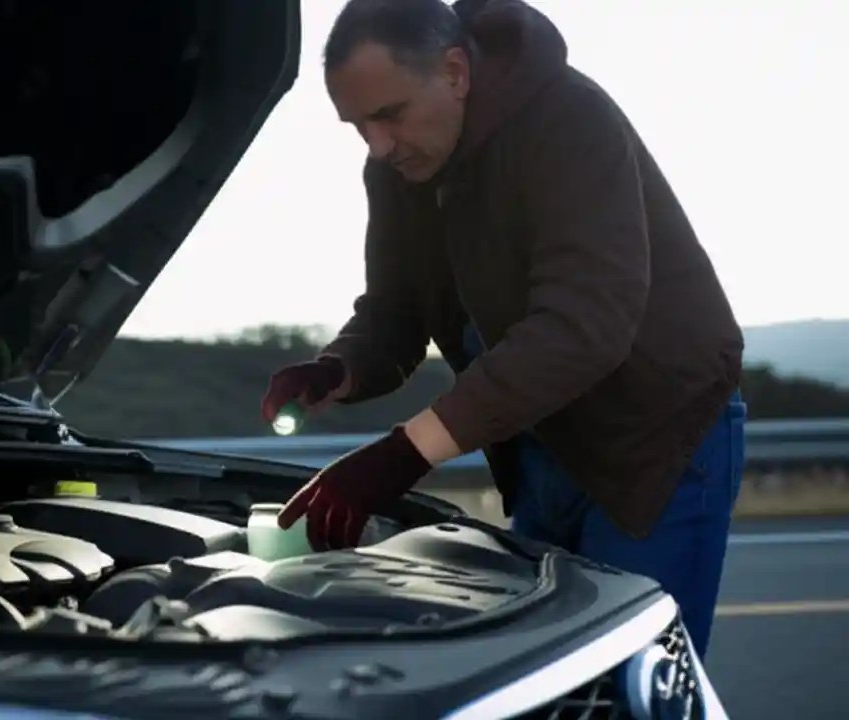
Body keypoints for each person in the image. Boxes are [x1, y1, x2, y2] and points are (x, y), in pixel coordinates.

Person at [261, 0, 745, 657]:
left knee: (634, 680)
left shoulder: (569, 120)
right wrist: (337, 369)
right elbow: (396, 312)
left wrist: (403, 454)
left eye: (389, 114)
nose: (377, 145)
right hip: (537, 444)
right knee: (549, 676)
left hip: (653, 443)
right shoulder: (399, 168)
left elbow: (583, 326)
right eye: (357, 125)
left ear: (456, 72)